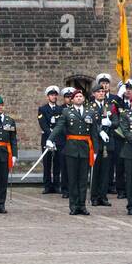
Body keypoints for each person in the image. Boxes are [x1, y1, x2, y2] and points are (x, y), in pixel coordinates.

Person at [47, 87, 98, 216]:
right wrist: (50, 139)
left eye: (81, 96)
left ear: (84, 98)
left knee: (82, 179)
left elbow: (94, 133)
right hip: (71, 149)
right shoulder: (66, 112)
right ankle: (74, 206)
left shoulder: (90, 112)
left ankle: (82, 205)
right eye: (76, 97)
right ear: (72, 99)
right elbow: (59, 127)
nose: (79, 98)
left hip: (85, 149)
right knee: (73, 179)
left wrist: (95, 150)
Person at [38, 86, 64, 194]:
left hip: (58, 139)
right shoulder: (42, 109)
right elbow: (43, 124)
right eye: (52, 95)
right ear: (48, 96)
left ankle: (57, 185)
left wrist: (55, 135)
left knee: (57, 162)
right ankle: (47, 185)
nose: (54, 97)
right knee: (47, 162)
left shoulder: (60, 109)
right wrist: (51, 136)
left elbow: (61, 124)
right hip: (47, 138)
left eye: (55, 95)